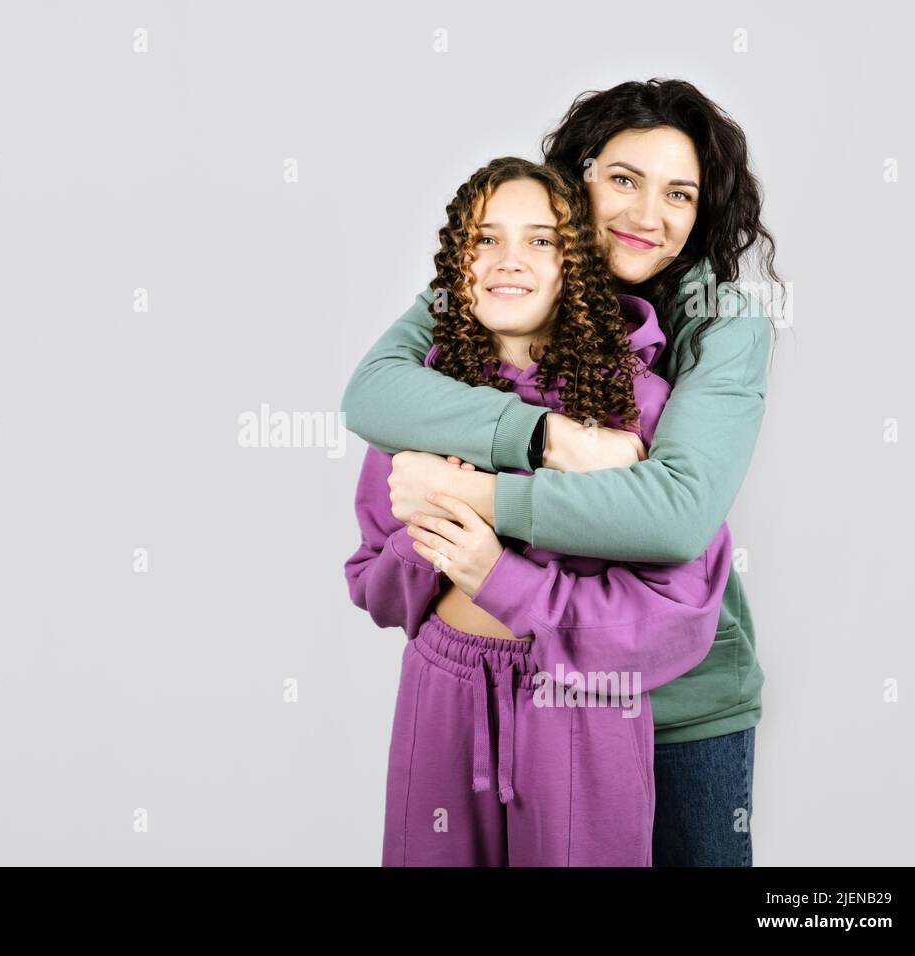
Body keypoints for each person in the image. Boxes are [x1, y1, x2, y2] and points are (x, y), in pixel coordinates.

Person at [341, 79, 779, 866]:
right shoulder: (504, 278)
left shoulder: (720, 323)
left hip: (677, 698)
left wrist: (472, 494)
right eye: (622, 180)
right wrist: (546, 437)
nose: (649, 215)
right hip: (502, 687)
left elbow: (674, 517)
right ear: (576, 180)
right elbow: (375, 392)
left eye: (679, 193)